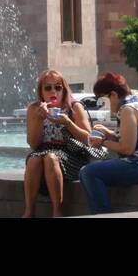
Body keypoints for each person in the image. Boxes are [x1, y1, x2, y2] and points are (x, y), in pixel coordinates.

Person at [78, 72, 138, 214]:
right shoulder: (137, 103)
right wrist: (109, 133)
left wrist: (102, 142)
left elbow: (126, 148)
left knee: (88, 172)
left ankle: (103, 215)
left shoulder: (127, 110)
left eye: (103, 100)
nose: (102, 105)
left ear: (113, 94)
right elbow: (131, 139)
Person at [22, 69, 97, 218]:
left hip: (71, 153)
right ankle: (29, 211)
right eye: (48, 87)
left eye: (58, 87)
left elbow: (89, 139)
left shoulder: (74, 107)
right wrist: (38, 120)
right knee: (33, 159)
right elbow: (33, 144)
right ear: (41, 92)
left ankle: (57, 212)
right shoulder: (34, 109)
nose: (53, 91)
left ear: (64, 89)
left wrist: (68, 123)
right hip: (43, 151)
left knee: (50, 157)